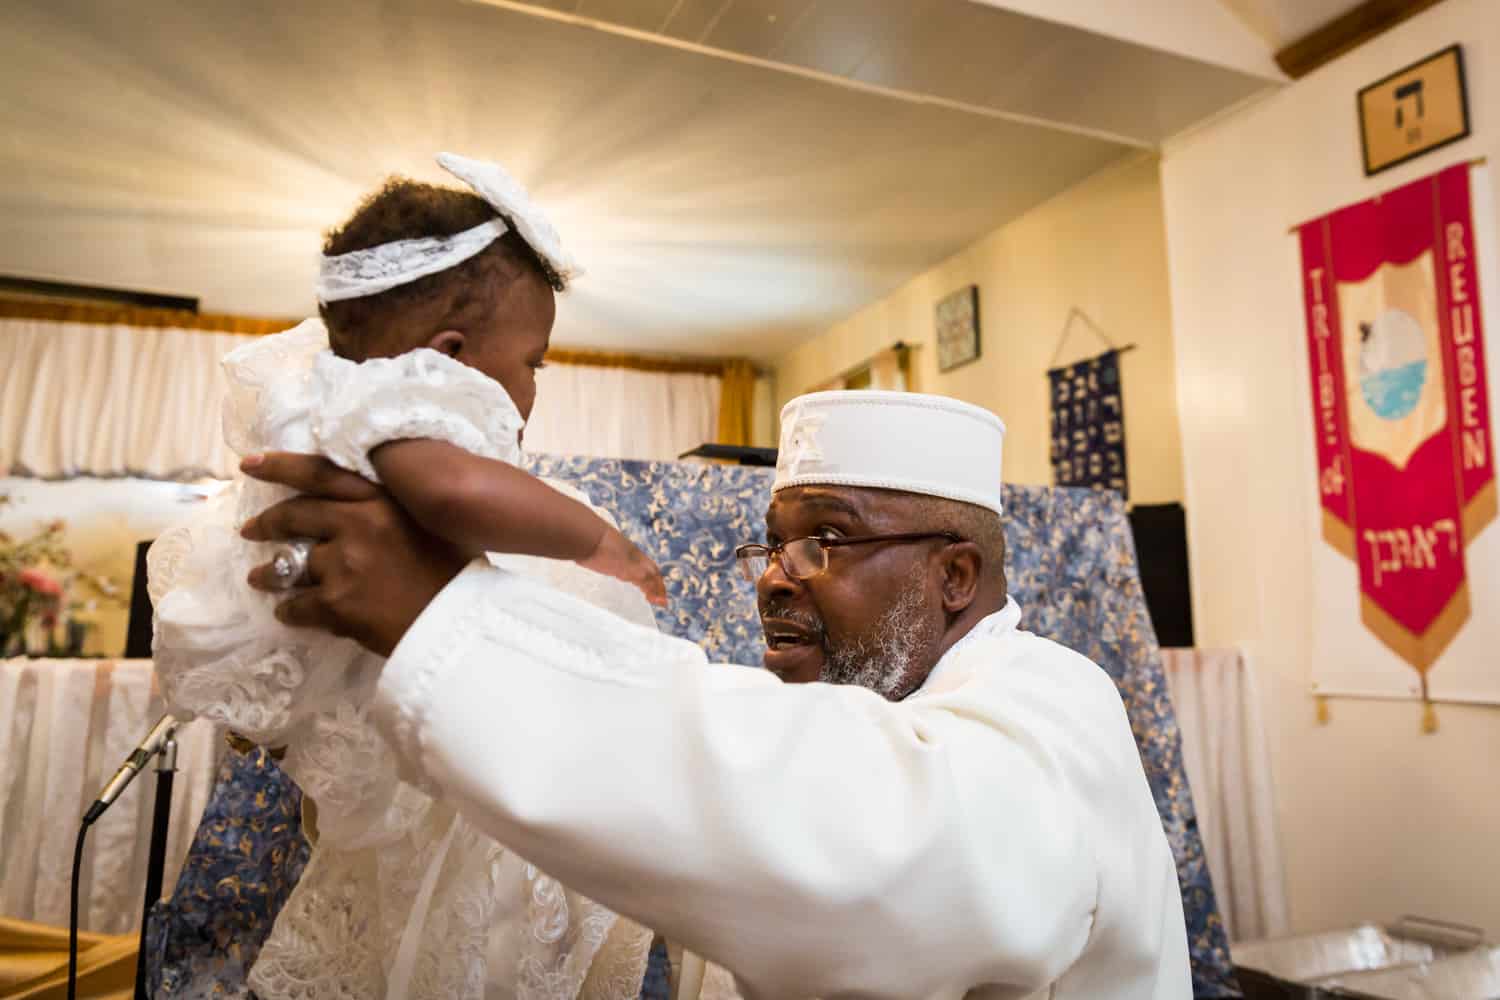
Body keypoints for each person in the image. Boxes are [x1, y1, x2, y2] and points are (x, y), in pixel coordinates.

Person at [239, 390, 1193, 999]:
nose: (776, 578)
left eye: (825, 542)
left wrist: (447, 629)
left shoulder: (1054, 706)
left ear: (952, 575)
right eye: (772, 546)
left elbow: (857, 847)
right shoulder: (847, 712)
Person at [148, 153, 665, 999]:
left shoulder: (333, 398)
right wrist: (599, 540)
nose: (533, 385)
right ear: (448, 357)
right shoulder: (405, 414)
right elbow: (457, 491)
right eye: (535, 360)